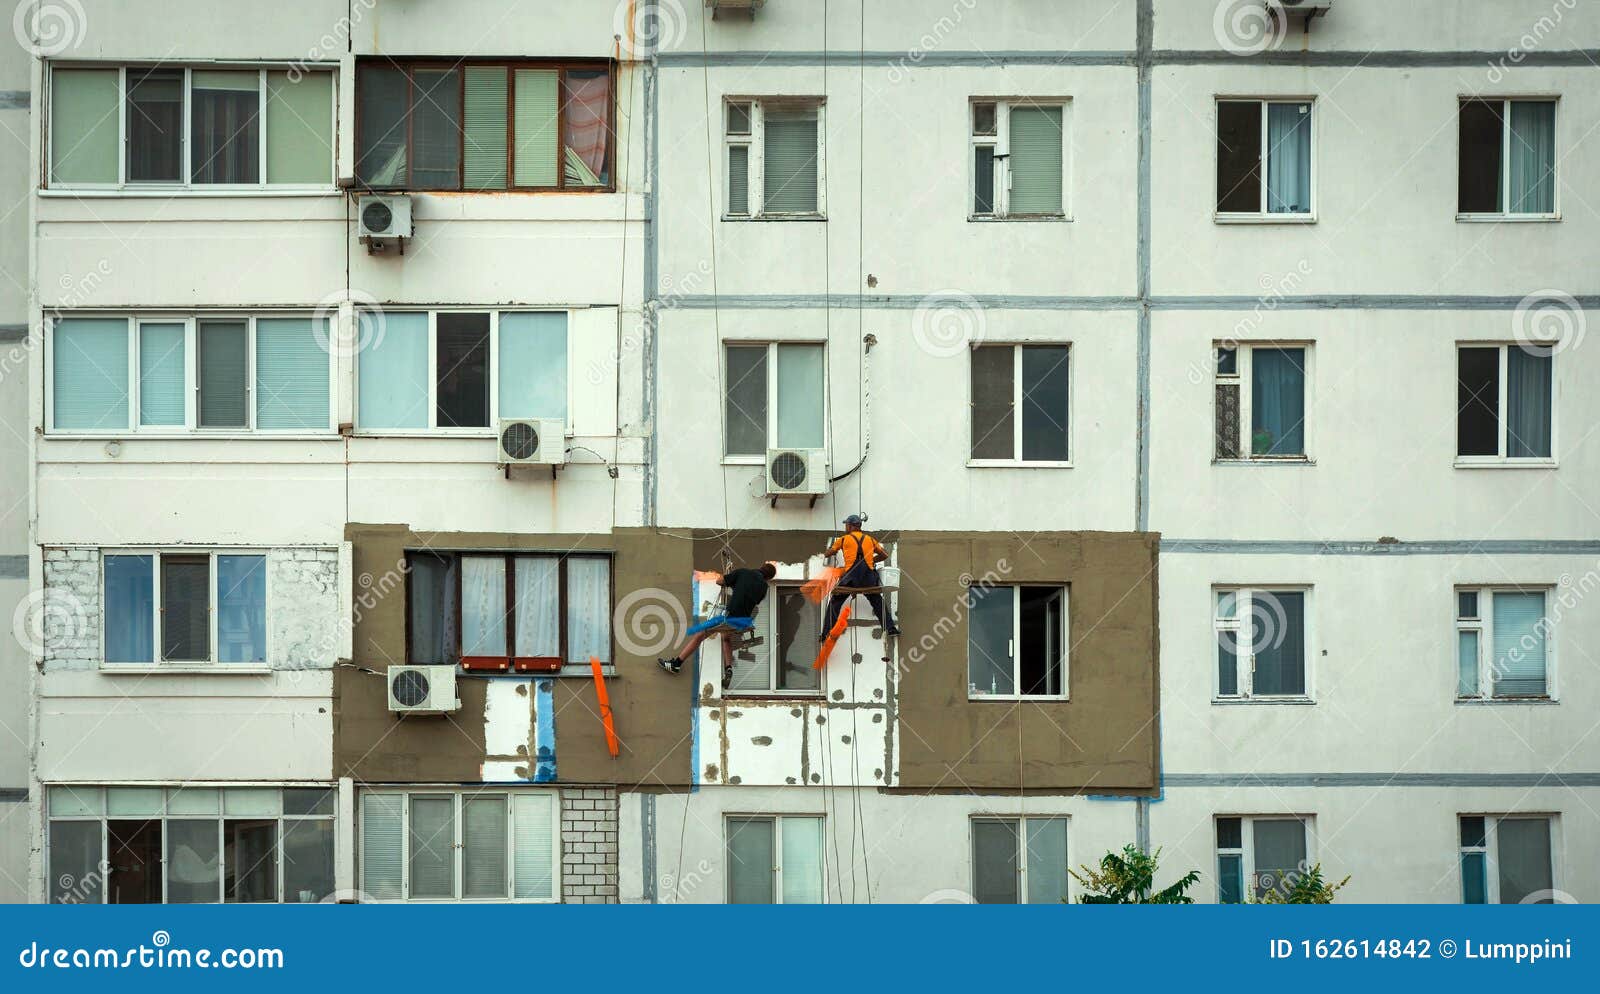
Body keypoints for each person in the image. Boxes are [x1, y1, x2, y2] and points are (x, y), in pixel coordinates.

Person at [657, 562, 778, 676]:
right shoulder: (764, 587)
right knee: (726, 639)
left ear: (761, 567)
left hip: (730, 617)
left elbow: (720, 581)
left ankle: (676, 664)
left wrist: (731, 580)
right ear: (768, 578)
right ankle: (728, 668)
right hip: (742, 622)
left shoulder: (743, 572)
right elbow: (753, 598)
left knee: (699, 634)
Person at [824, 514, 900, 637]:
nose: (845, 527)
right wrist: (871, 560)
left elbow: (829, 554)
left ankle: (826, 633)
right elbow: (885, 555)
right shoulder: (870, 540)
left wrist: (829, 549)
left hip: (850, 580)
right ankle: (891, 629)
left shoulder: (843, 539)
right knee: (877, 602)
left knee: (835, 603)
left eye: (846, 525)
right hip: (868, 580)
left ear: (850, 526)